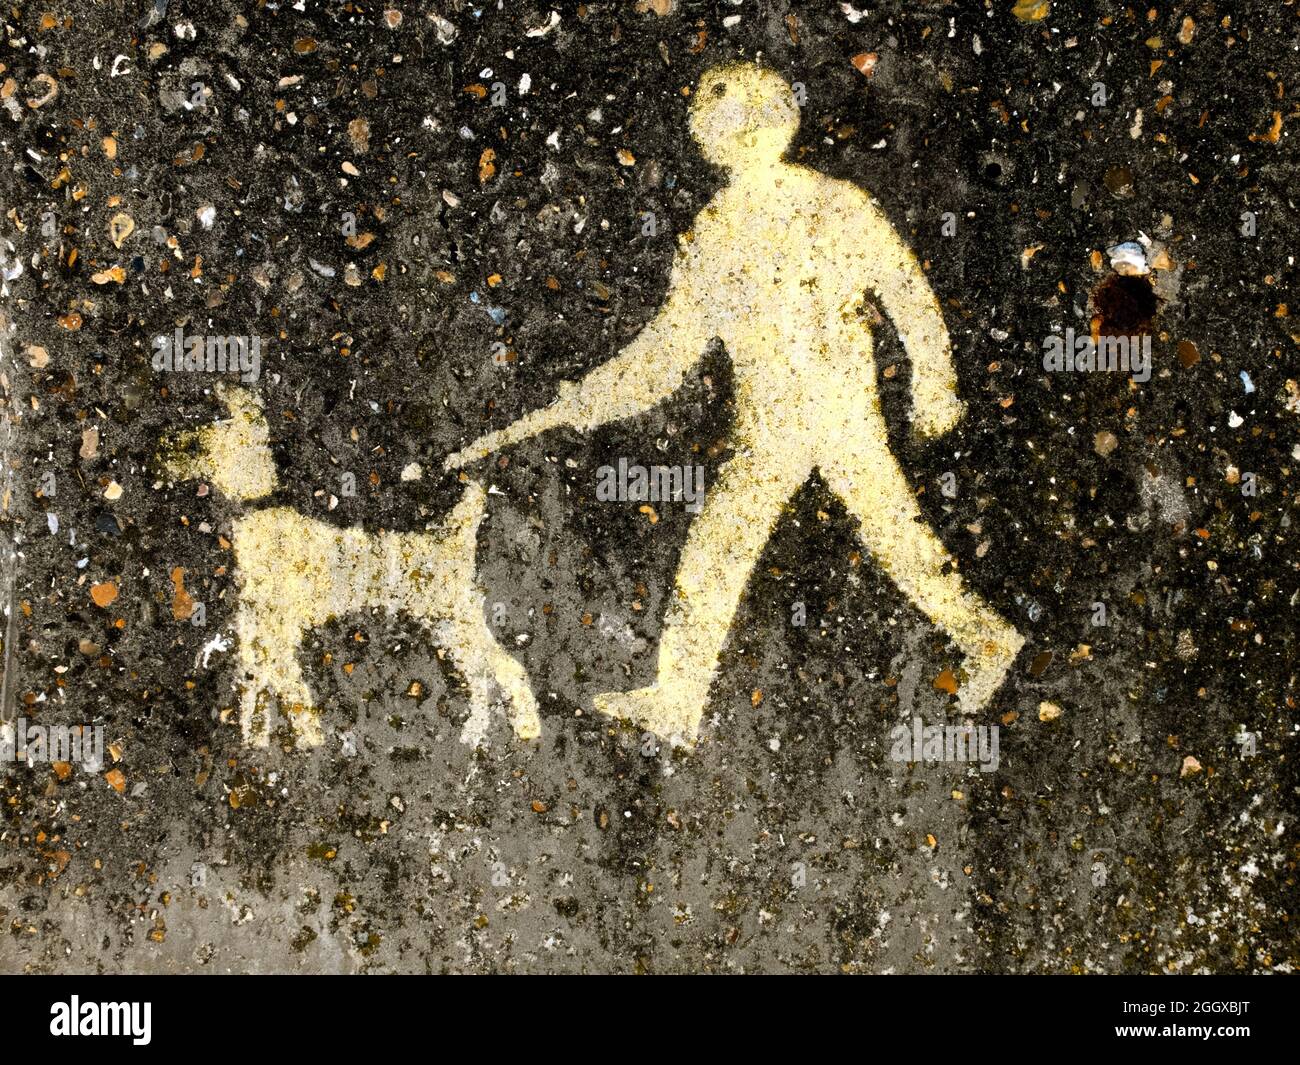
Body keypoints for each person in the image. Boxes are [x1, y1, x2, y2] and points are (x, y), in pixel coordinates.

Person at [447, 62, 1024, 743]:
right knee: (788, 539)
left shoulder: (784, 215)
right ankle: (684, 697)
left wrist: (937, 382)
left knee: (840, 537)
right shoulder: (753, 220)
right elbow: (670, 351)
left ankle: (982, 637)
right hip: (791, 419)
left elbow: (901, 290)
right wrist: (589, 399)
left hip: (821, 415)